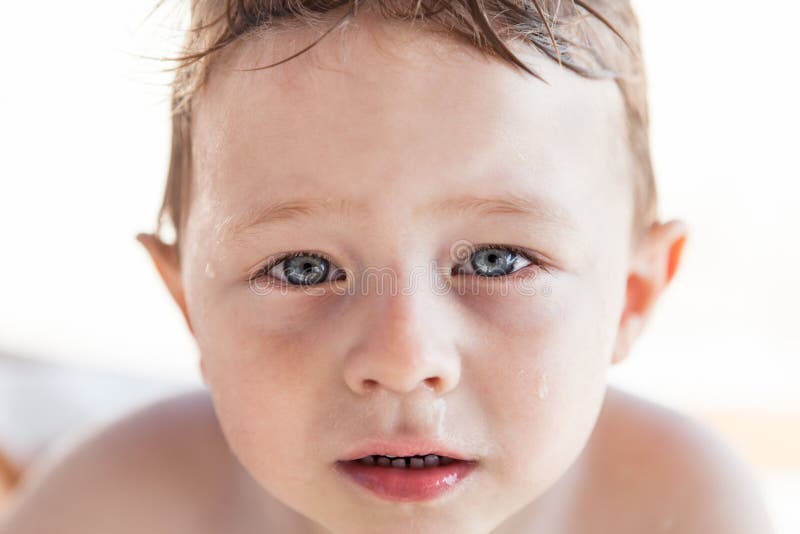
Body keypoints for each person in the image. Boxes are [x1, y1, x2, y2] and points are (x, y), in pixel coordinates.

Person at [0, 0, 774, 532]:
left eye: (497, 260)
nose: (403, 361)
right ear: (189, 306)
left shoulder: (683, 508)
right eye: (302, 267)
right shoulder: (111, 505)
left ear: (632, 298)